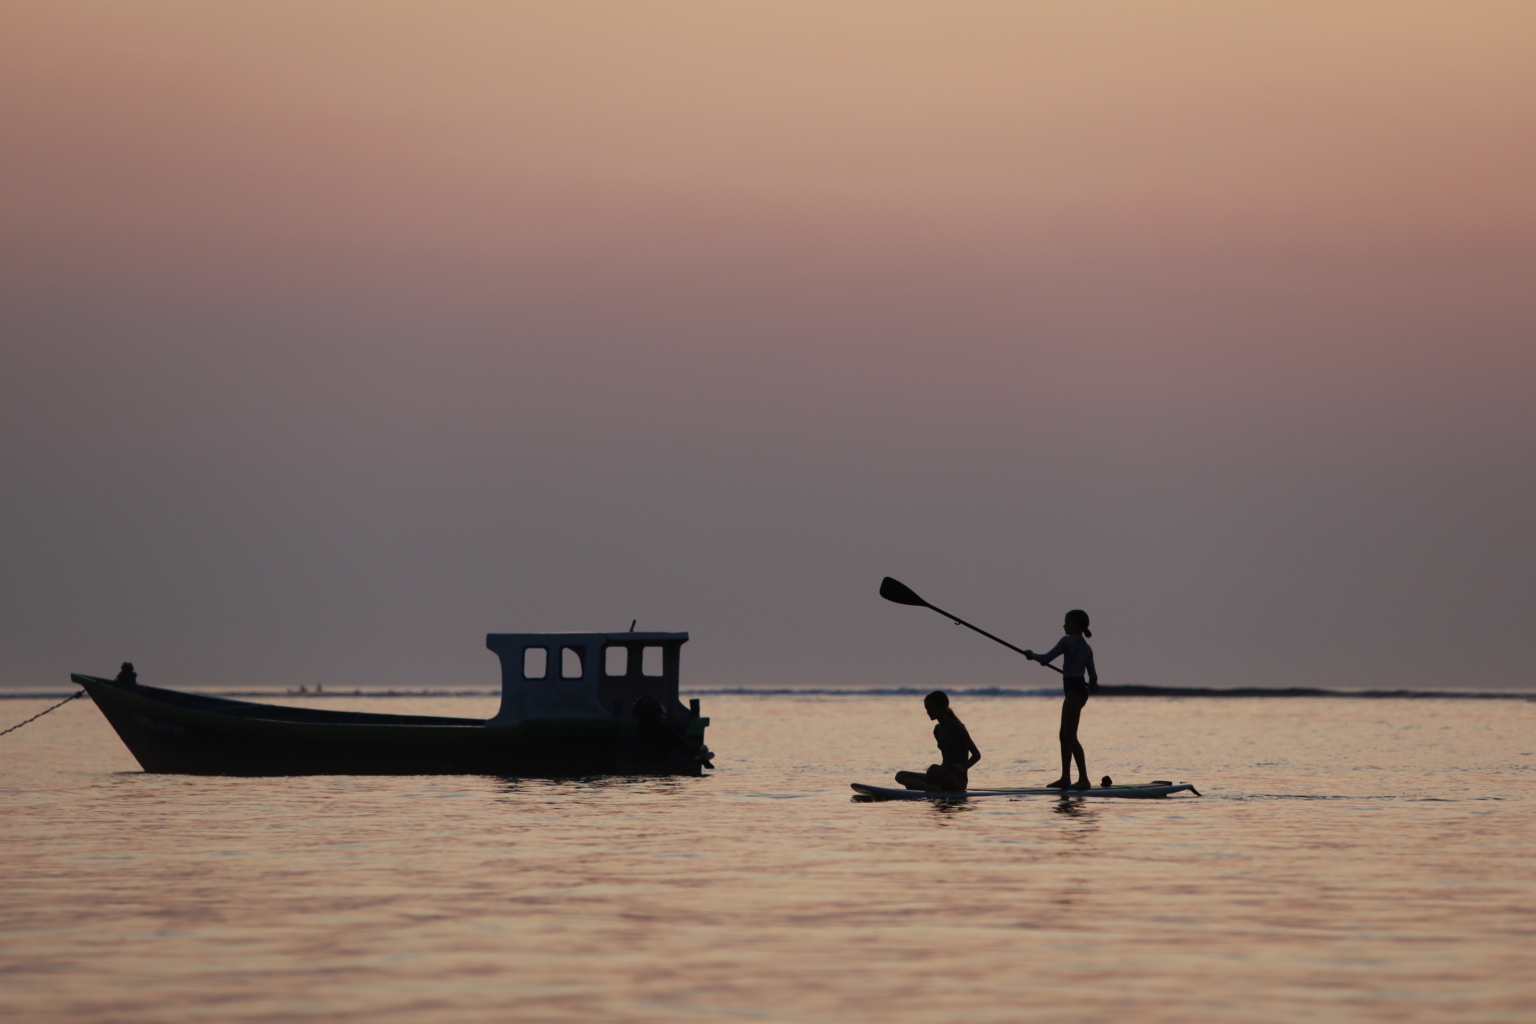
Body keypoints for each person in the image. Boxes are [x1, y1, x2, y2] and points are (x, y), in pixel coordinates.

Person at [1025, 610, 1098, 791]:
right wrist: (1093, 685)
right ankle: (1065, 778)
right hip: (1079, 691)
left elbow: (1046, 658)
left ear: (1077, 626)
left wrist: (1031, 655)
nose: (1064, 626)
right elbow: (1094, 677)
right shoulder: (1087, 648)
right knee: (1063, 735)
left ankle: (1084, 780)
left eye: (1067, 622)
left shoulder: (1067, 641)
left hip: (1074, 692)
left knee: (1070, 736)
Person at [894, 690, 981, 791]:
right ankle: (930, 788)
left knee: (933, 769)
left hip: (957, 781)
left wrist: (962, 768)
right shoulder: (937, 730)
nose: (928, 712)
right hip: (940, 776)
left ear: (942, 707)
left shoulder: (957, 728)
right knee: (900, 775)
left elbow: (976, 755)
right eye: (926, 709)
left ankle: (928, 788)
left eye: (930, 708)